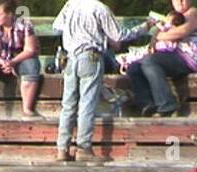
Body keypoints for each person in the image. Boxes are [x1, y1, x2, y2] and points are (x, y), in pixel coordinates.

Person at [52, 0, 152, 162]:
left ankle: (62, 148)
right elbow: (119, 35)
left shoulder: (70, 4)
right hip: (90, 57)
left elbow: (57, 27)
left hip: (70, 58)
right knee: (87, 103)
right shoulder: (99, 8)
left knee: (68, 104)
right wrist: (143, 28)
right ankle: (83, 147)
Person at [125, 0, 197, 118]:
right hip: (173, 55)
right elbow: (157, 35)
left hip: (189, 59)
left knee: (150, 61)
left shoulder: (193, 13)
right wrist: (154, 43)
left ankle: (166, 104)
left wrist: (159, 35)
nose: (180, 2)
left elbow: (180, 33)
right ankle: (146, 104)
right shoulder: (171, 16)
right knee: (134, 66)